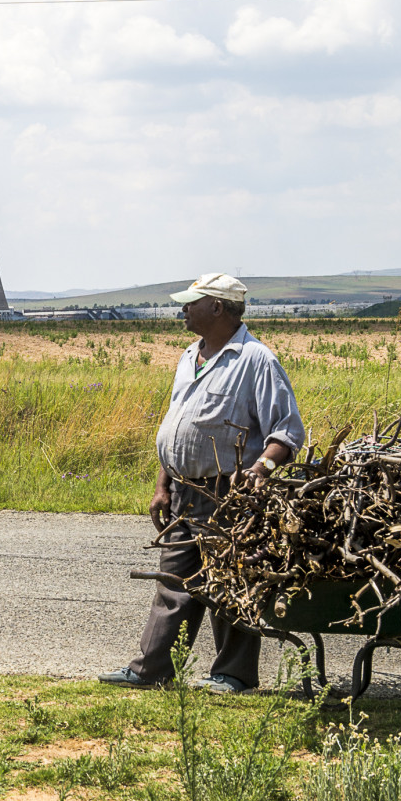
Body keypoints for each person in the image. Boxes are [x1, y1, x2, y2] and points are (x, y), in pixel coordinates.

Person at [99, 273, 305, 693]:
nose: (183, 310)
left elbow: (287, 432)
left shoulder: (255, 360)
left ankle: (233, 674)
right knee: (174, 582)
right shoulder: (190, 355)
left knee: (229, 579)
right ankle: (151, 670)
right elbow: (177, 425)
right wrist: (162, 485)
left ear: (217, 307)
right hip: (182, 490)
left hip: (227, 492)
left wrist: (261, 469)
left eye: (191, 303)